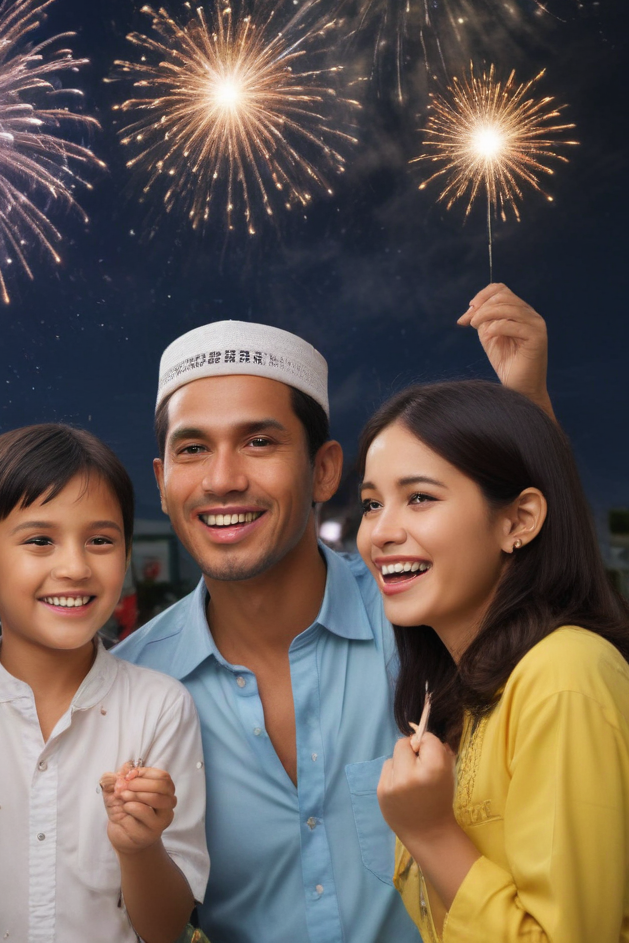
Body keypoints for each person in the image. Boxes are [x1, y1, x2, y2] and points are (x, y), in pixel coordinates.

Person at [113, 284, 552, 943]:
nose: (222, 479)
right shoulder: (130, 688)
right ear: (161, 480)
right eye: (192, 448)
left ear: (323, 471)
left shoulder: (427, 623)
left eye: (259, 442)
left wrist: (528, 412)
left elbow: (539, 587)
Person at [0, 424, 208, 943]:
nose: (75, 567)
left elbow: (166, 929)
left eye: (100, 540)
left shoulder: (159, 707)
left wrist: (140, 846)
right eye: (40, 541)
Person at [359, 380, 629, 942]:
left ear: (519, 520)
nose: (380, 532)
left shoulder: (564, 674)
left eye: (420, 498)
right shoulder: (463, 690)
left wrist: (431, 832)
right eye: (371, 504)